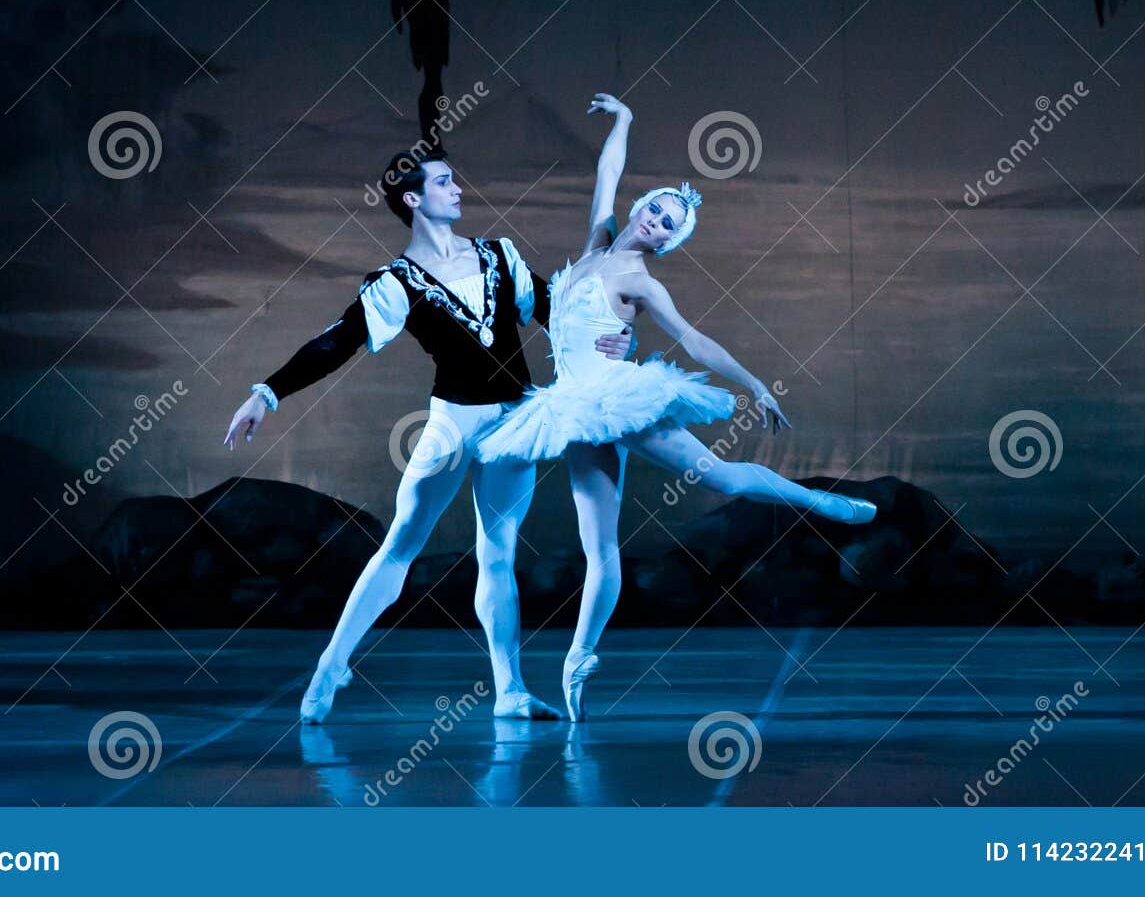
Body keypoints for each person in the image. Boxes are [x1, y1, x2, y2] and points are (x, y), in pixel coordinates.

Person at [474, 94, 877, 721]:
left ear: (669, 243)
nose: (656, 223)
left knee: (721, 478)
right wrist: (626, 120)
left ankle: (821, 502)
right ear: (640, 208)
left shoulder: (642, 280)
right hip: (575, 409)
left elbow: (693, 339)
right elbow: (607, 174)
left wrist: (754, 383)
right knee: (598, 548)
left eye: (668, 225)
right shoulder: (595, 244)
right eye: (656, 210)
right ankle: (578, 658)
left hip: (620, 398)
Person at [222, 146, 632, 723]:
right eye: (444, 182)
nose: (458, 188)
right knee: (402, 543)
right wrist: (267, 393)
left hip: (518, 421)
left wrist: (613, 338)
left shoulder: (498, 255)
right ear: (413, 198)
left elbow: (558, 314)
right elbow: (335, 342)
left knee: (499, 554)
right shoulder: (397, 282)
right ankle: (331, 666)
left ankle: (510, 690)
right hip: (454, 423)